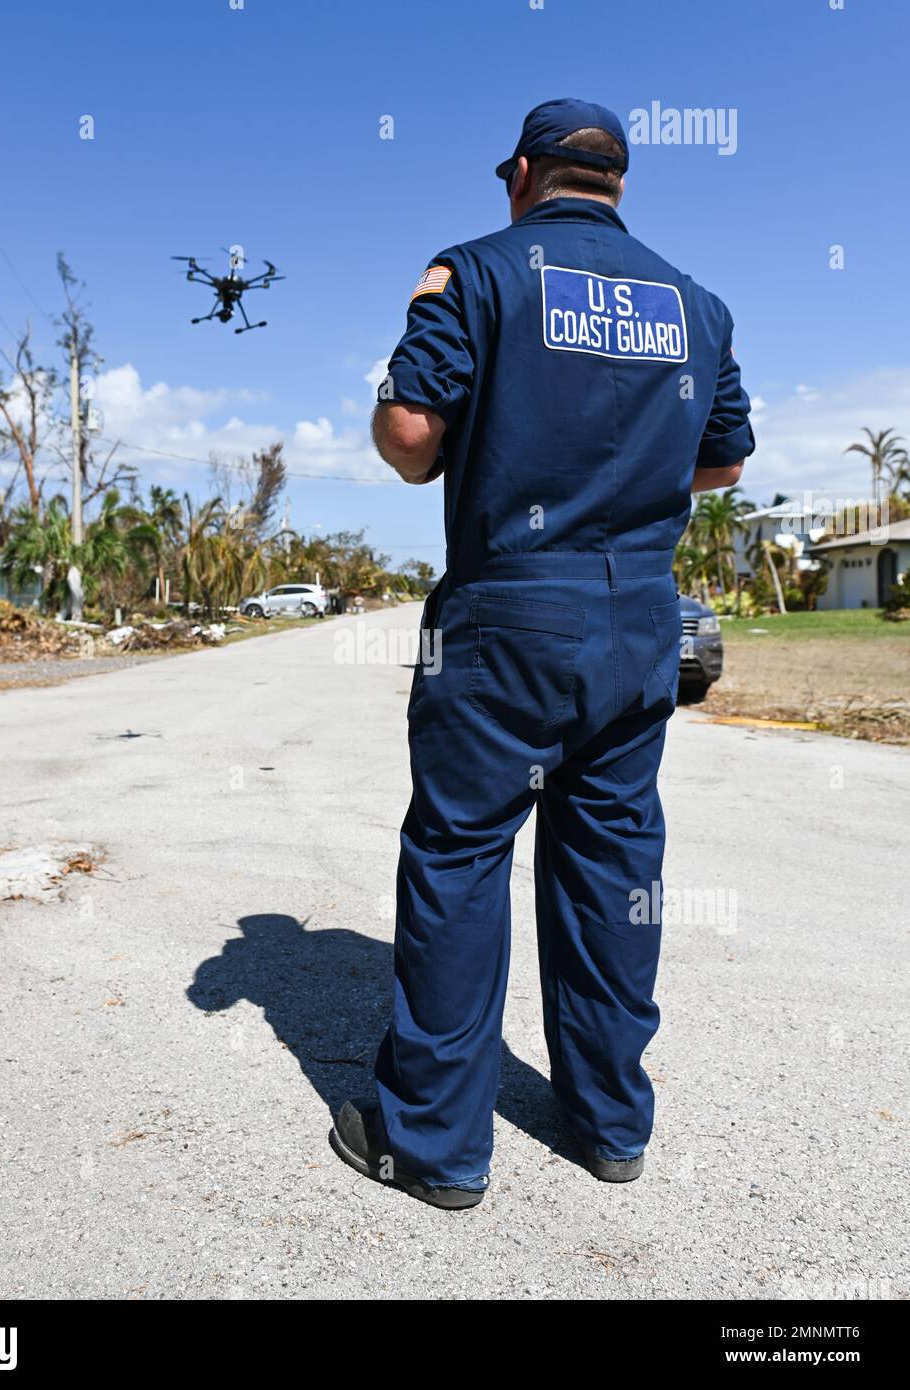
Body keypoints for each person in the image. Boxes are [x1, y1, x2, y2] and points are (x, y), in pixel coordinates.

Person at [329, 98, 754, 1209]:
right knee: (614, 874)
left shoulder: (472, 274)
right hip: (637, 624)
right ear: (616, 185)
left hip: (509, 616)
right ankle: (612, 1124)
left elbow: (413, 438)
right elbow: (724, 465)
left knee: (463, 858)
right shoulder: (696, 306)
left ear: (521, 173)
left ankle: (435, 1147)